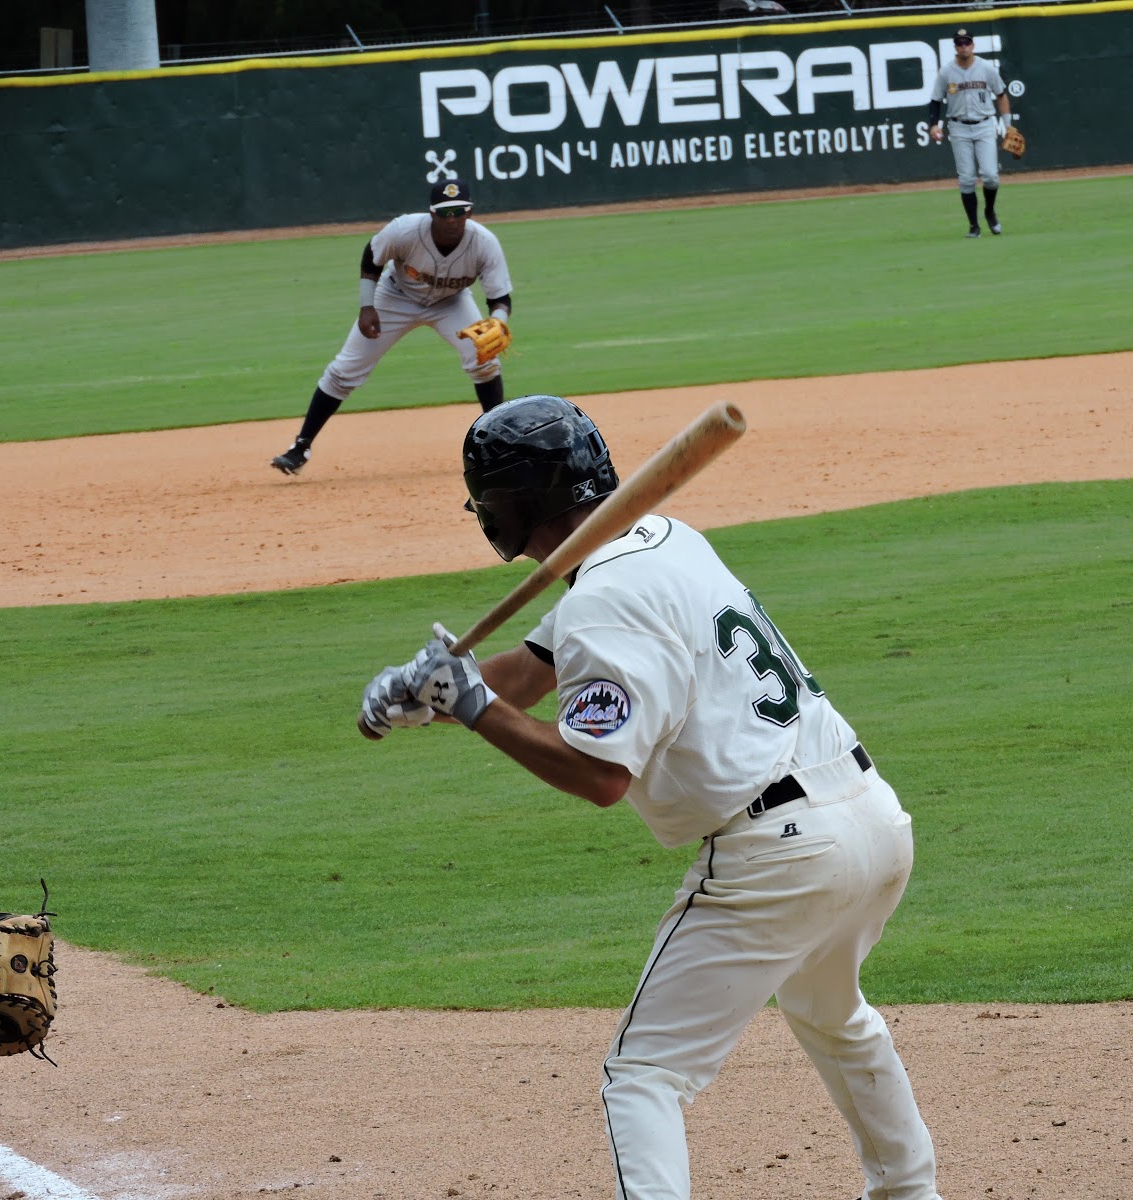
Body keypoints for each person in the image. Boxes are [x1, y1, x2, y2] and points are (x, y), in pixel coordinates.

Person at [359, 394, 942, 1200]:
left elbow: (600, 775)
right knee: (834, 1016)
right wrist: (427, 698)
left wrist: (470, 706)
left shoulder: (601, 599)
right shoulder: (665, 541)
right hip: (870, 819)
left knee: (643, 1076)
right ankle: (912, 1192)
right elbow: (531, 672)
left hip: (780, 856)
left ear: (504, 508)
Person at [270, 179, 514, 475]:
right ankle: (300, 447)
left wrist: (498, 323)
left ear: (470, 213)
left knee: (484, 360)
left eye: (459, 212)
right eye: (445, 213)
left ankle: (499, 447)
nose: (453, 220)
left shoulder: (484, 243)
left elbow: (499, 298)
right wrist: (367, 306)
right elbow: (371, 258)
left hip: (451, 303)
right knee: (344, 370)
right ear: (432, 214)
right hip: (395, 296)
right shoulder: (405, 230)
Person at [927, 28, 1012, 238]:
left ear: (973, 45)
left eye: (967, 42)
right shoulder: (946, 71)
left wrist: (1008, 125)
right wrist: (934, 124)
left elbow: (1001, 94)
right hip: (959, 127)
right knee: (966, 179)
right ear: (955, 47)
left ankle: (989, 212)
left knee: (991, 176)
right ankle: (974, 226)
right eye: (959, 43)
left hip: (984, 125)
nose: (963, 46)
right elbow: (935, 100)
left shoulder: (985, 68)